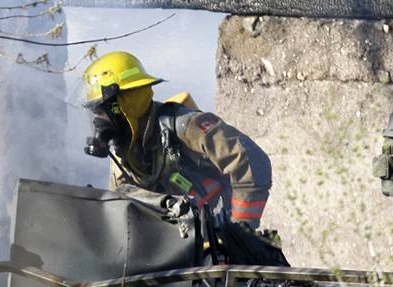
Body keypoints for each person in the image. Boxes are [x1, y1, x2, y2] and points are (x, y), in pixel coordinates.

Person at [82, 51, 272, 229]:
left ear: (125, 105)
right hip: (180, 249)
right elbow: (123, 212)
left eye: (101, 111)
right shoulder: (122, 156)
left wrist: (240, 227)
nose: (99, 122)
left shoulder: (187, 126)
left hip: (220, 238)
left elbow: (251, 161)